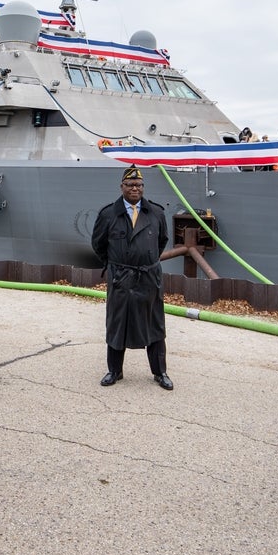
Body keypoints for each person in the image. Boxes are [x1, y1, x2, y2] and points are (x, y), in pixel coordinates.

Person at [91, 165, 172, 390]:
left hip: (148, 277)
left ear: (143, 187)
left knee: (155, 325)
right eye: (130, 185)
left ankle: (160, 372)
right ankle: (114, 371)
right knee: (117, 324)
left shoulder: (156, 213)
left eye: (138, 185)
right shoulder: (108, 214)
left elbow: (162, 240)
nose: (134, 188)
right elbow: (98, 244)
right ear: (122, 187)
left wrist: (146, 260)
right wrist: (116, 265)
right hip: (121, 278)